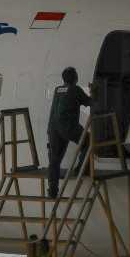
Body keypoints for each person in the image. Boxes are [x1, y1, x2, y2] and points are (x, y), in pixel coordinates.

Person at [46, 66, 93, 198]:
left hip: (53, 129)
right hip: (68, 127)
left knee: (54, 160)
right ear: (75, 78)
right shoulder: (75, 89)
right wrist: (93, 91)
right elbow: (90, 102)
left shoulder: (57, 90)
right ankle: (81, 169)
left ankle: (52, 191)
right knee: (88, 141)